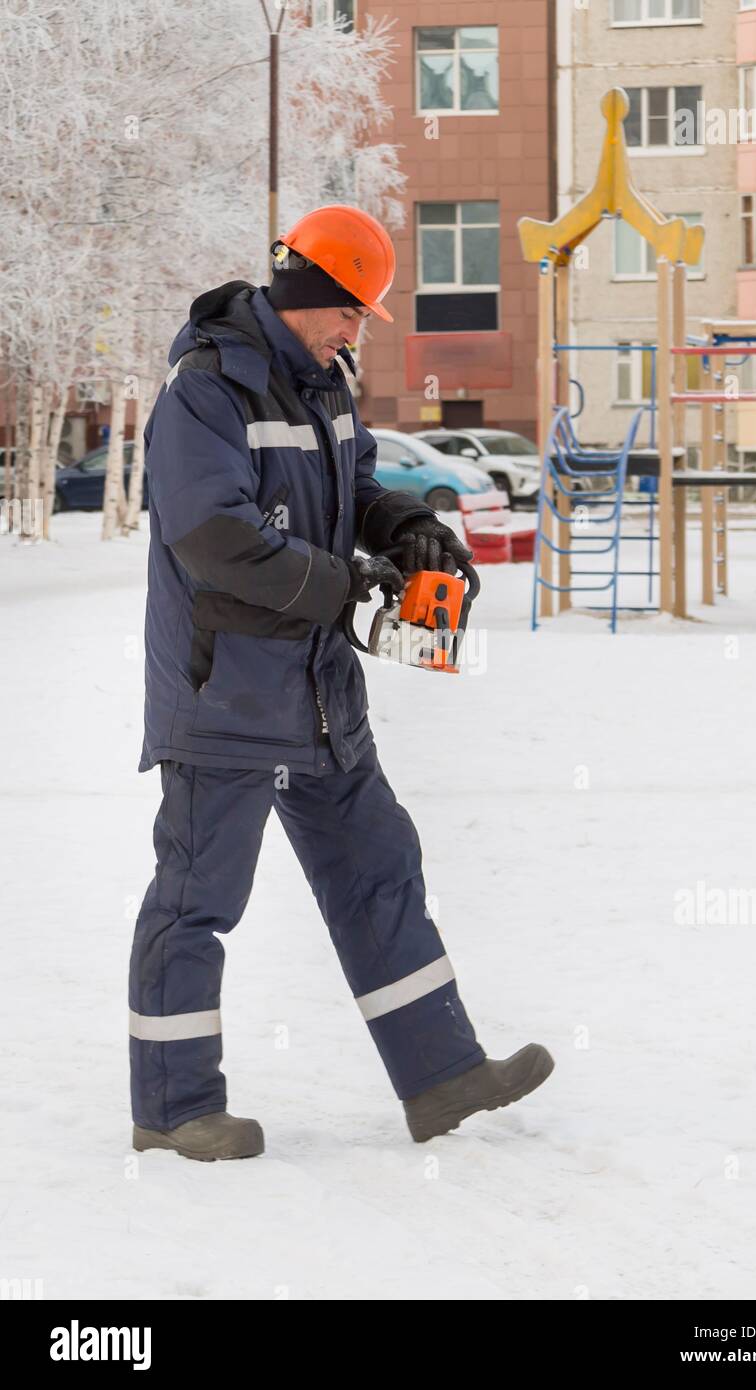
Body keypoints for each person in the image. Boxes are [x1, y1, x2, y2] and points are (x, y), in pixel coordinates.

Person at [128, 204, 553, 1159]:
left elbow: (350, 490)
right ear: (306, 294)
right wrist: (338, 583)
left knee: (378, 871)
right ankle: (172, 1108)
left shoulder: (325, 388)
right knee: (197, 901)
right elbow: (212, 536)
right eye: (351, 311)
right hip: (223, 695)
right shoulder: (208, 390)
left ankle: (442, 1077)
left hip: (318, 695)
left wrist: (402, 526)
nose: (358, 329)